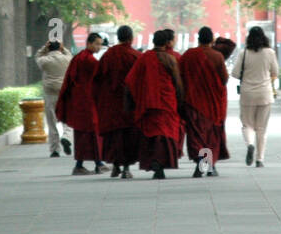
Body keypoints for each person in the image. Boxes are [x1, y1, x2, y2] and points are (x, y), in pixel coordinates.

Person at [124, 29, 185, 179]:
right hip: (167, 103)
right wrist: (181, 101)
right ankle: (161, 162)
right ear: (166, 43)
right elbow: (178, 84)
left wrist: (135, 100)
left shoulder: (144, 58)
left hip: (148, 103)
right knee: (165, 133)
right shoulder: (170, 59)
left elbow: (130, 81)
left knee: (151, 134)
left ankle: (155, 162)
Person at [179, 26, 231, 177]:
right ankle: (207, 165)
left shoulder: (188, 55)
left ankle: (202, 164)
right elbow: (224, 79)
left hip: (193, 102)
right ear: (212, 40)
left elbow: (179, 76)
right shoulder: (217, 56)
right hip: (212, 103)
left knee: (197, 136)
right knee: (210, 136)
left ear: (198, 38)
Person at [56, 33, 108, 175]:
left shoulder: (80, 57)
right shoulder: (88, 60)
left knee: (85, 133)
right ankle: (90, 164)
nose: (99, 47)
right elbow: (102, 76)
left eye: (100, 44)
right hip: (87, 101)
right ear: (89, 43)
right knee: (90, 132)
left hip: (80, 100)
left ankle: (91, 163)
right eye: (97, 44)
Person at [93, 25, 141, 179]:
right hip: (129, 104)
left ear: (118, 38)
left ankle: (115, 166)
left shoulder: (108, 55)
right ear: (131, 38)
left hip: (111, 104)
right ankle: (126, 168)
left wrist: (100, 100)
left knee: (114, 136)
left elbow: (97, 79)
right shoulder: (135, 56)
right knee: (128, 136)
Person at [232, 25, 279, 168]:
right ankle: (260, 159)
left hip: (247, 94)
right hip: (265, 94)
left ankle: (250, 144)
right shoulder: (270, 53)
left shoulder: (243, 53)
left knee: (247, 125)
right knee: (261, 128)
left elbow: (234, 73)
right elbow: (275, 72)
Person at [35, 40, 73, 158]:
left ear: (49, 48)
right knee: (68, 119)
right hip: (64, 92)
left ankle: (55, 149)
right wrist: (63, 48)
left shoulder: (45, 61)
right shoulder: (67, 59)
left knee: (52, 122)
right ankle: (66, 136)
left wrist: (44, 48)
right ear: (60, 48)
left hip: (50, 93)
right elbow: (70, 55)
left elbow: (38, 56)